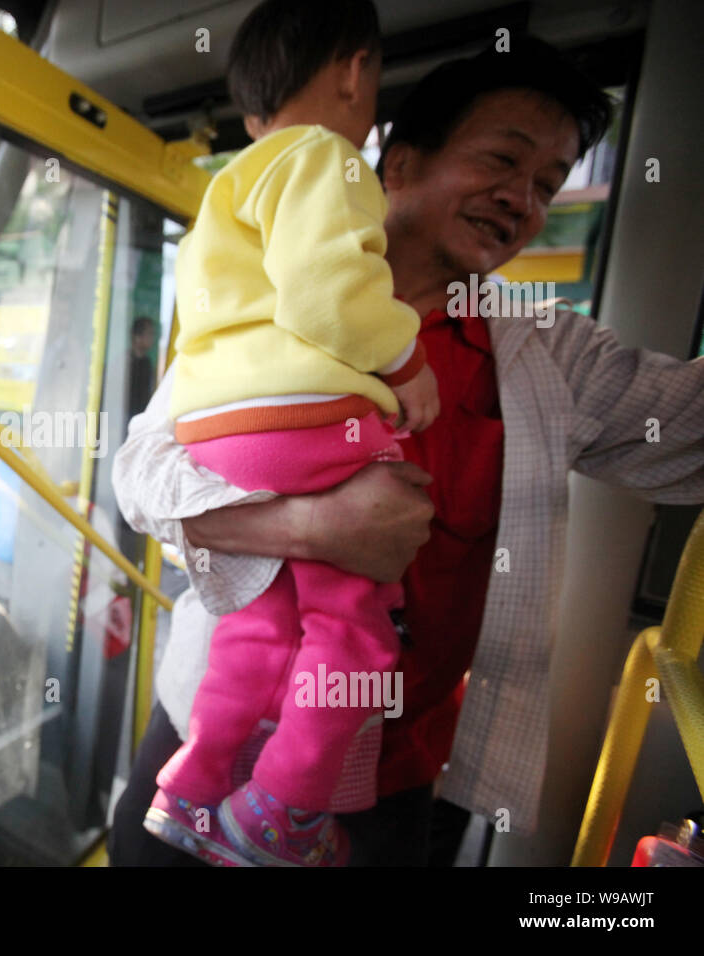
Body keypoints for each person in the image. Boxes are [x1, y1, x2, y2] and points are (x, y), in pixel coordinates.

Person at [110, 34, 704, 866]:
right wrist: (310, 528)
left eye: (547, 184)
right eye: (503, 159)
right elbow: (138, 476)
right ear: (401, 161)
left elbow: (688, 428)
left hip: (396, 780)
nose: (520, 199)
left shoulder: (547, 354)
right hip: (213, 728)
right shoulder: (273, 292)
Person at [148, 0, 440, 868]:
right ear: (355, 73)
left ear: (249, 111)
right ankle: (281, 810)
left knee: (256, 620)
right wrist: (405, 363)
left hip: (219, 435)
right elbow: (327, 297)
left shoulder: (228, 188)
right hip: (306, 420)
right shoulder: (329, 157)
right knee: (355, 629)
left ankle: (194, 782)